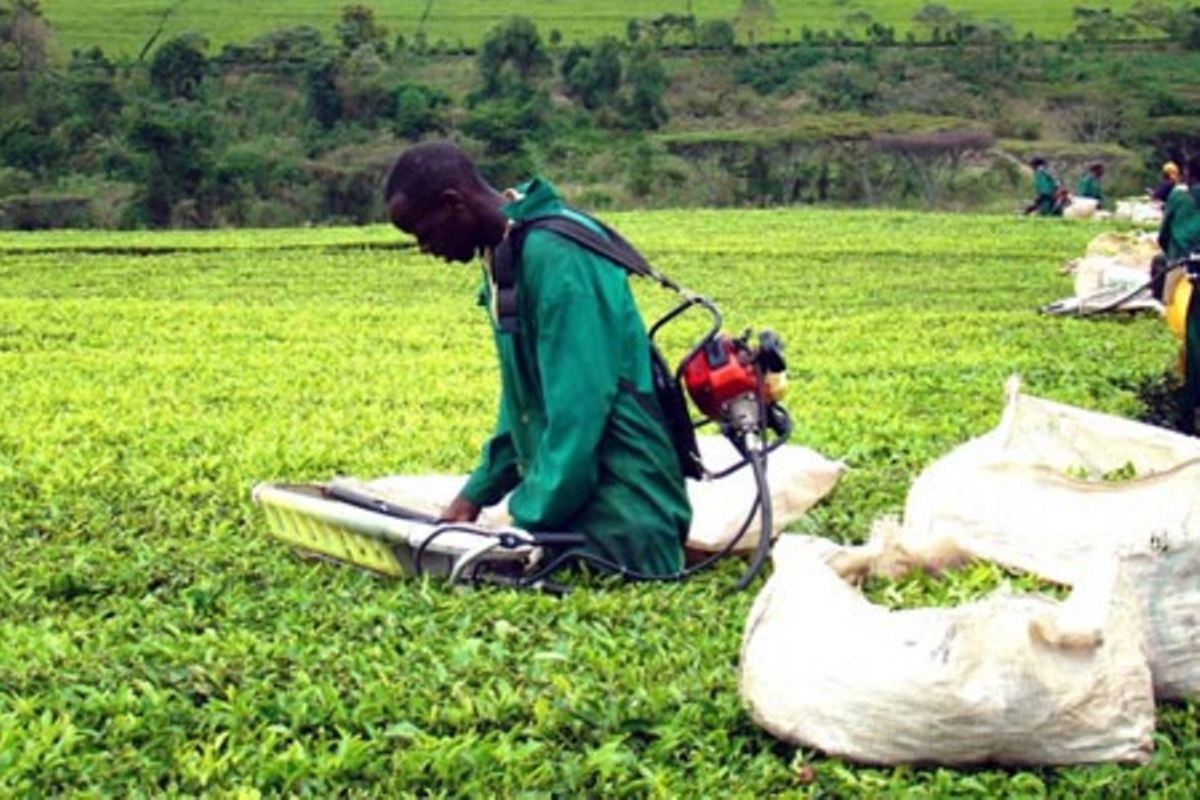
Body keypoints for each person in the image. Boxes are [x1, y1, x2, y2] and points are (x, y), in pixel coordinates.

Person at [383, 141, 691, 576]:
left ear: (454, 204)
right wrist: (472, 498)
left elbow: (579, 410)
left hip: (625, 531)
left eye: (424, 233)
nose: (425, 248)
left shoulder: (558, 255)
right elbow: (524, 405)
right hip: (567, 526)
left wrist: (521, 525)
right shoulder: (507, 254)